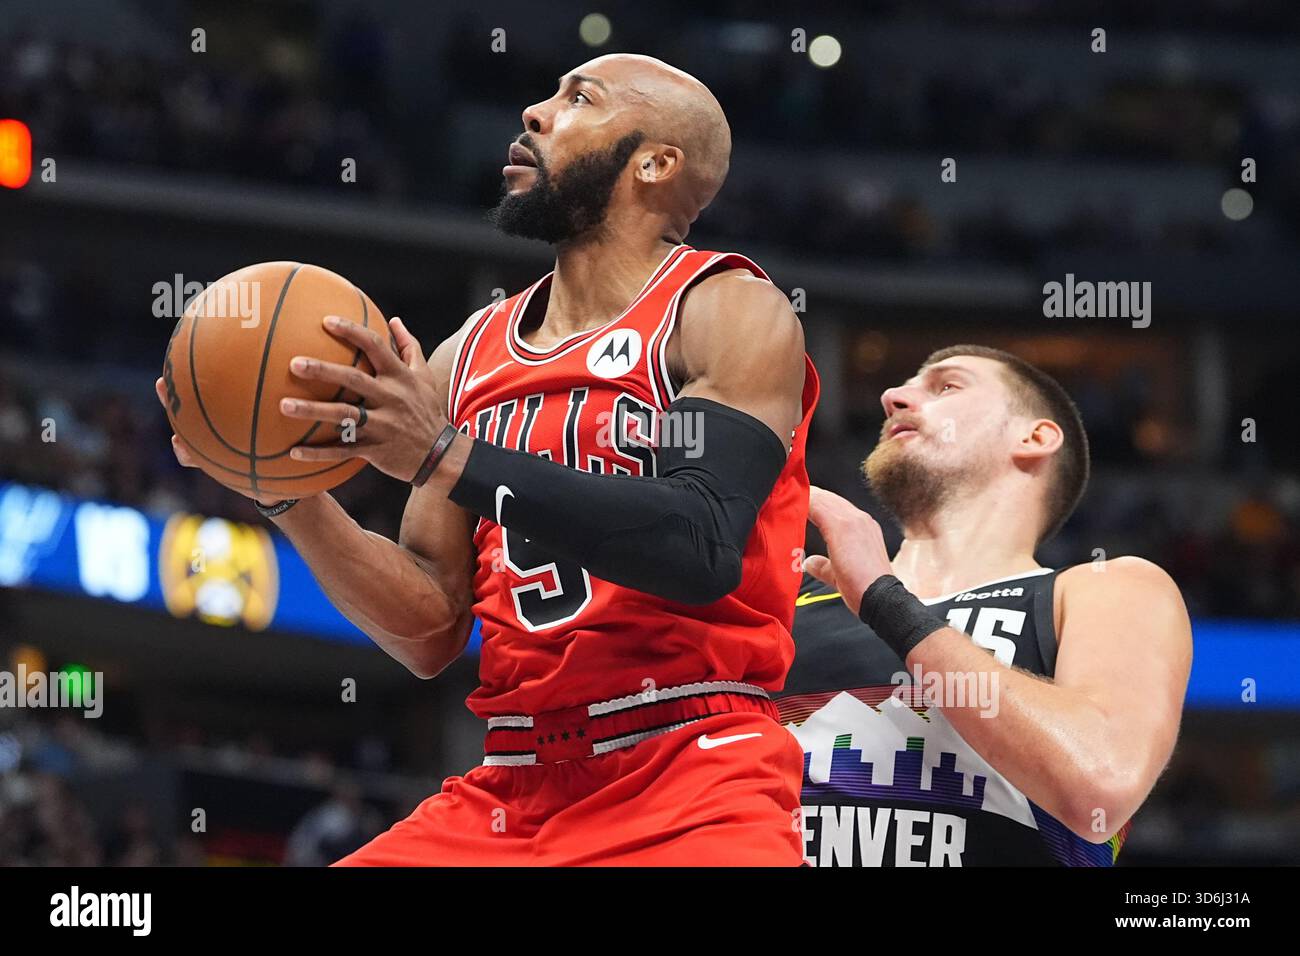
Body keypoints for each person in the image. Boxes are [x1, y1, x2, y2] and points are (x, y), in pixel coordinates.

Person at [157, 54, 819, 865]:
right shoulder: (464, 358)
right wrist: (284, 493)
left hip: (692, 773)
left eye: (578, 98)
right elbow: (432, 626)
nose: (534, 114)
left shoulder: (722, 310)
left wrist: (444, 452)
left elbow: (702, 542)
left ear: (655, 162)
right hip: (514, 784)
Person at [779, 345, 1190, 866]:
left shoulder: (1102, 587)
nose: (892, 397)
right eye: (904, 387)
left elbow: (1100, 783)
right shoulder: (792, 598)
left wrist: (884, 599)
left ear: (1034, 436)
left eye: (945, 385)